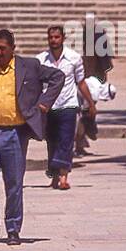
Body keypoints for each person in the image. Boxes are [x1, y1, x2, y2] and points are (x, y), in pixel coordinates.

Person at [0, 28, 64, 245]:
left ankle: (13, 228)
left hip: (15, 133)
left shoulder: (28, 66)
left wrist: (44, 103)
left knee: (14, 182)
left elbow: (58, 76)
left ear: (13, 48)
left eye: (3, 48)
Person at [36, 24, 97, 189]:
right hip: (49, 107)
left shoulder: (74, 58)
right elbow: (36, 84)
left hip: (68, 105)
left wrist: (90, 103)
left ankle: (64, 178)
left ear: (63, 38)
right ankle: (54, 177)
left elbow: (81, 82)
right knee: (52, 141)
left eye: (56, 37)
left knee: (66, 141)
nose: (53, 40)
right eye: (51, 37)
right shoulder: (41, 59)